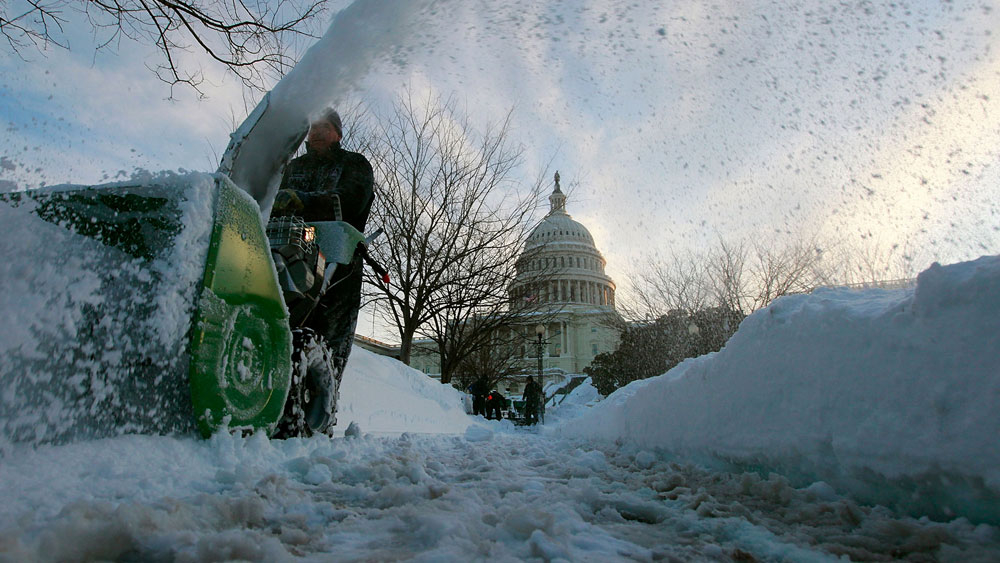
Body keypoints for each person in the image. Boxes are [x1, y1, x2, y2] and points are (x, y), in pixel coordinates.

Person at [274, 108, 375, 374]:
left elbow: (352, 199)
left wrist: (306, 200)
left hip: (337, 260)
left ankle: (323, 395)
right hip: (287, 253)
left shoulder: (353, 164)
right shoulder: (294, 168)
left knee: (329, 337)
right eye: (313, 128)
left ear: (338, 133)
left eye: (324, 127)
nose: (317, 133)